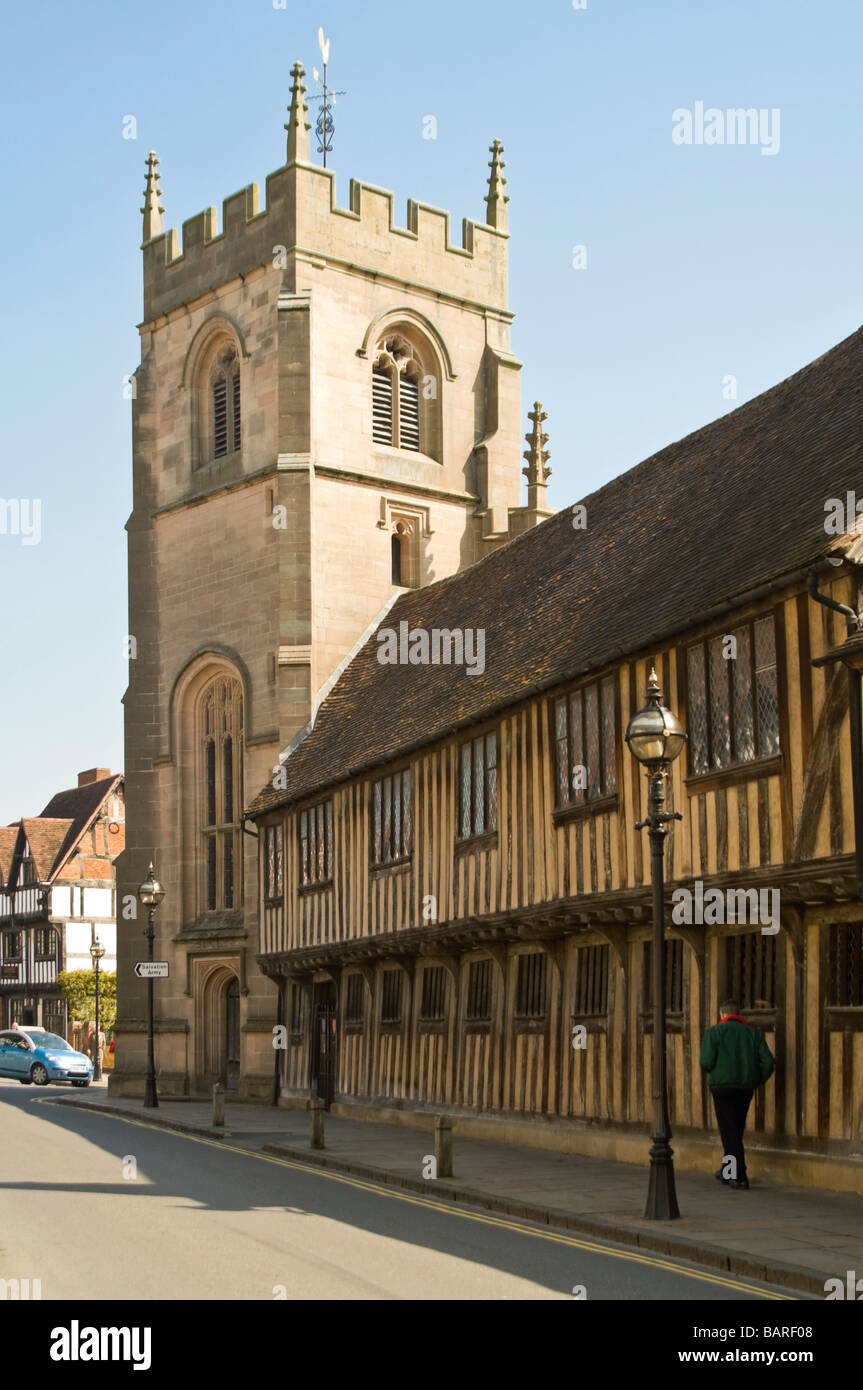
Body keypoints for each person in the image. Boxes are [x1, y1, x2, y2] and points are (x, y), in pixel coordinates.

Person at [700, 998, 774, 1190]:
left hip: (722, 1088)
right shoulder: (752, 1034)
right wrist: (756, 1080)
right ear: (738, 1014)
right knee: (735, 1129)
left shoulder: (714, 1033)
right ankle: (728, 1170)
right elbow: (768, 1062)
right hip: (744, 1088)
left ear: (722, 1015)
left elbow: (706, 1061)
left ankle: (738, 1175)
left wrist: (717, 1070)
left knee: (729, 1131)